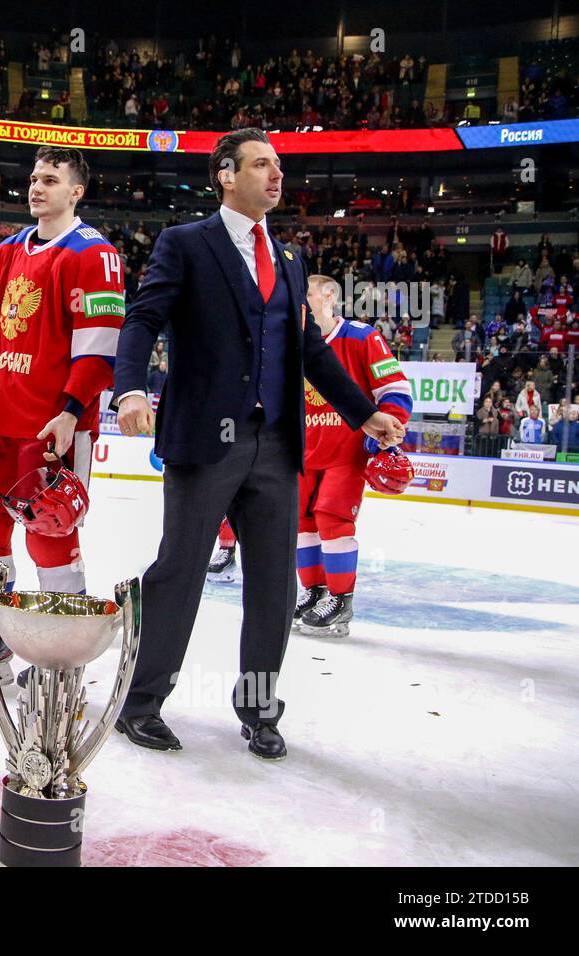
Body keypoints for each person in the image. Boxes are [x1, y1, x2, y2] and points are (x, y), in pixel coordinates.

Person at [113, 128, 405, 760]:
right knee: (178, 571)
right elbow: (143, 320)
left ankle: (260, 706)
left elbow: (308, 352)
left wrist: (364, 414)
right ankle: (138, 702)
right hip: (205, 439)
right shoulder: (185, 243)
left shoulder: (293, 259)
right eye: (262, 165)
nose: (276, 176)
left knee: (273, 584)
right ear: (224, 174)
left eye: (279, 166)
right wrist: (130, 389)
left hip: (276, 443)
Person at [0, 146, 124, 689]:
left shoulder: (94, 253)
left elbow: (99, 349)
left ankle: (63, 657)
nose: (37, 187)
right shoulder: (10, 249)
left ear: (76, 191)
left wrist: (70, 411)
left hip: (51, 425)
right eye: (34, 178)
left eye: (51, 179)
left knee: (50, 534)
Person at [293, 276, 412, 636]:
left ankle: (340, 599)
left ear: (329, 295)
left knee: (333, 521)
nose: (300, 301)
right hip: (303, 449)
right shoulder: (294, 341)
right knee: (300, 522)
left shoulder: (362, 337)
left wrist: (383, 435)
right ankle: (314, 592)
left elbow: (396, 390)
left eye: (308, 294)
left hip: (347, 451)